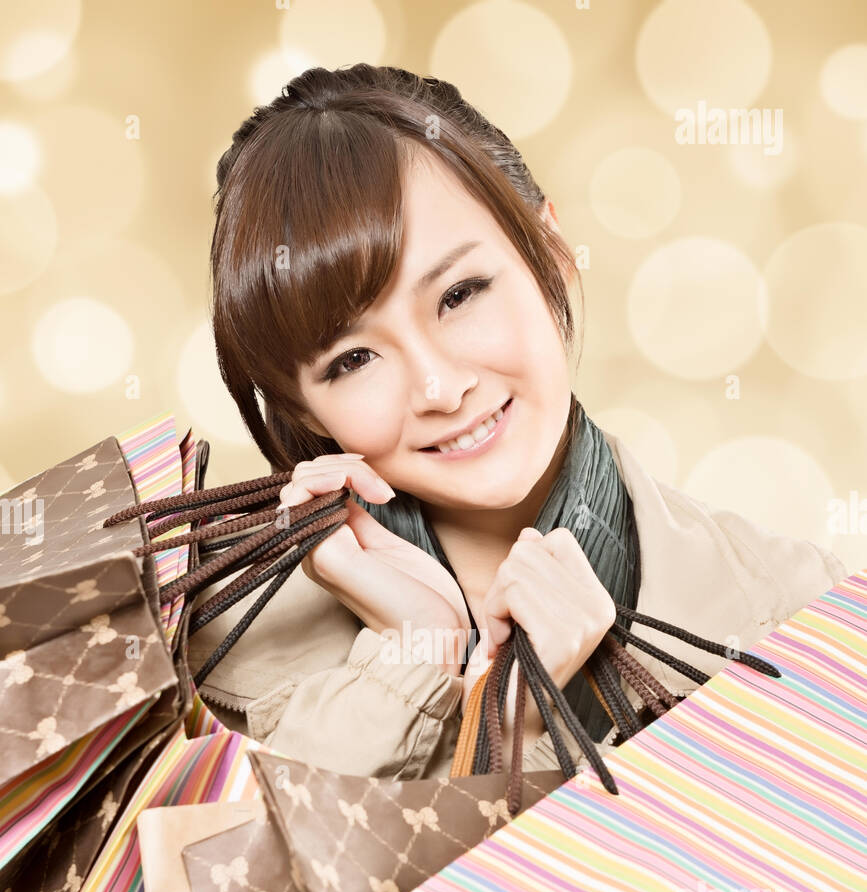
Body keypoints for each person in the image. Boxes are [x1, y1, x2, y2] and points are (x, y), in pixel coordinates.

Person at [190, 63, 846, 779]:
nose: (439, 387)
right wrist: (430, 665)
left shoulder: (796, 617)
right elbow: (254, 884)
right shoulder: (199, 653)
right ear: (298, 406)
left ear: (550, 253)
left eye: (460, 294)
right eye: (352, 360)